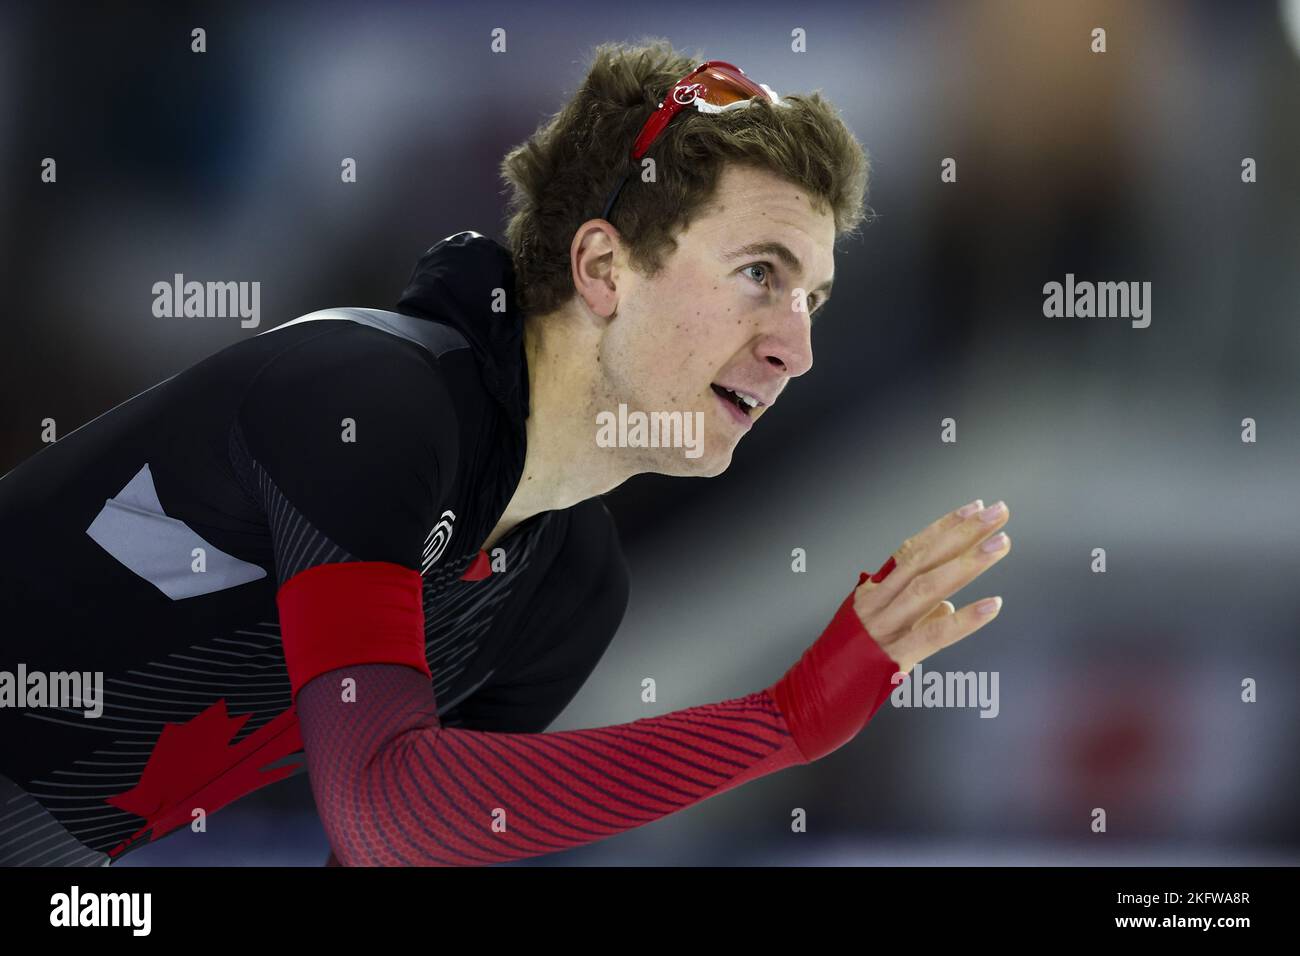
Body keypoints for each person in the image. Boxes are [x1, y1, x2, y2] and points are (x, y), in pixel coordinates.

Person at [0, 39, 1010, 867]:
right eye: (759, 272)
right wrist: (779, 722)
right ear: (604, 265)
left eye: (812, 298)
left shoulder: (566, 589)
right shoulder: (366, 402)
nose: (797, 347)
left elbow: (399, 854)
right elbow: (381, 807)